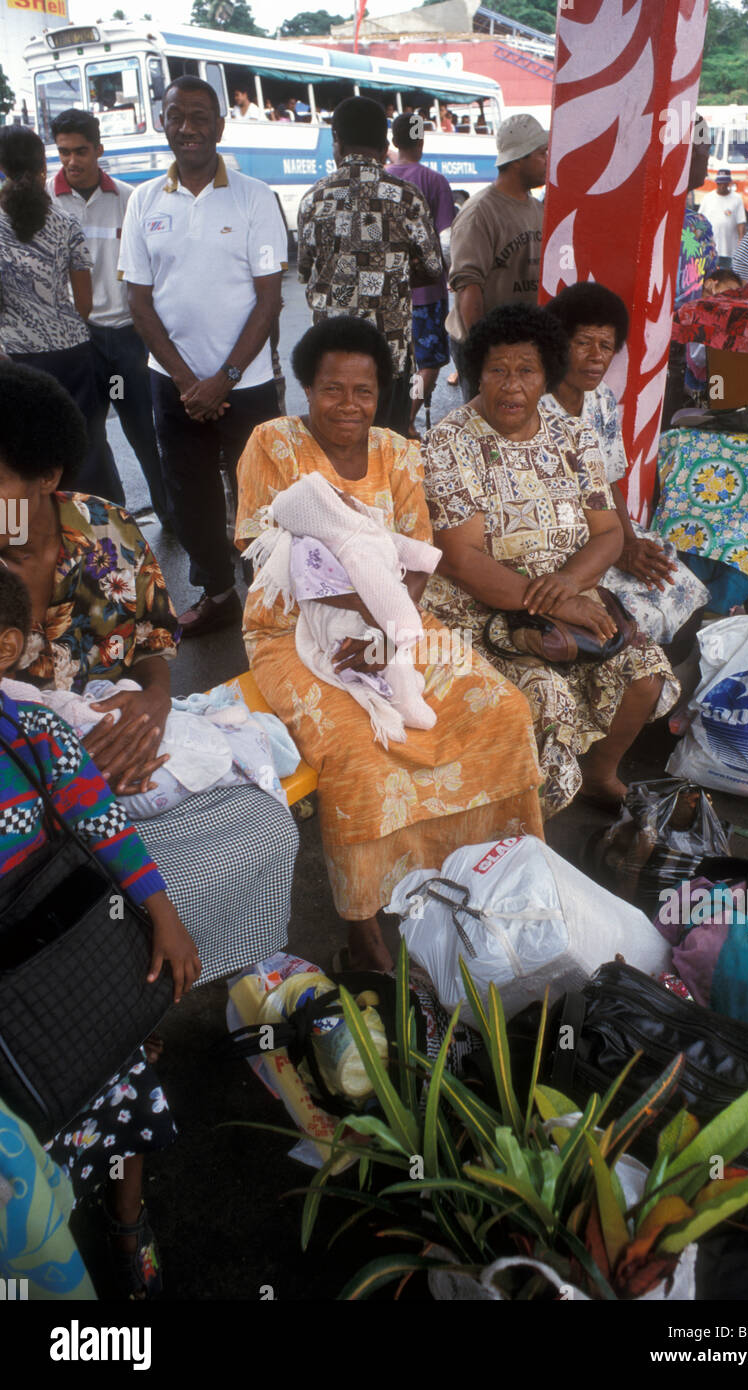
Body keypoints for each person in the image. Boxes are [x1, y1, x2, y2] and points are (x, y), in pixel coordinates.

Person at [236, 316, 544, 974]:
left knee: (503, 712)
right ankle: (363, 924)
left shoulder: (399, 452)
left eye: (363, 391)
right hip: (291, 628)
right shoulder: (273, 444)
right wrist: (370, 617)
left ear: (382, 394)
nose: (347, 405)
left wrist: (385, 626)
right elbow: (266, 556)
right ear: (305, 389)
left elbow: (421, 554)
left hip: (396, 621)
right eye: (331, 389)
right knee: (359, 754)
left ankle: (480, 877)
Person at [0, 360, 299, 989]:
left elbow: (148, 647)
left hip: (130, 741)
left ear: (46, 474)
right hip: (27, 779)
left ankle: (205, 977)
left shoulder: (106, 529)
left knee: (263, 829)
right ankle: (120, 1007)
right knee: (95, 890)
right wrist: (63, 768)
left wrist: (153, 703)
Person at [0, 566, 195, 1298]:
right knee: (31, 1135)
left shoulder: (34, 729)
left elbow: (102, 825)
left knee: (119, 1078)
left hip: (69, 954)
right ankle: (60, 1236)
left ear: (6, 648)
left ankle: (125, 1217)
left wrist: (164, 917)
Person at [421, 305, 679, 815]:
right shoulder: (451, 441)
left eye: (526, 371)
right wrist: (553, 604)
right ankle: (524, 826)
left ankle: (598, 775)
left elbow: (607, 533)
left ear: (546, 376)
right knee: (545, 698)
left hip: (568, 594)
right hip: (480, 612)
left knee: (645, 675)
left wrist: (566, 586)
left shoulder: (574, 436)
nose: (512, 386)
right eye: (498, 370)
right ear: (478, 372)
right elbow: (458, 557)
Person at [118, 76, 286, 638]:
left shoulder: (255, 197)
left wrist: (226, 378)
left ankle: (271, 595)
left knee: (261, 497)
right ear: (162, 122)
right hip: (174, 385)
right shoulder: (143, 200)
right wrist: (191, 382)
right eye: (175, 116)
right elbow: (139, 302)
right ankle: (218, 593)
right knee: (190, 497)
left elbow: (269, 299)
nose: (187, 127)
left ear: (219, 125)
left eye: (198, 116)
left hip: (248, 383)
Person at [543, 283, 708, 658]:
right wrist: (613, 549)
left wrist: (627, 542)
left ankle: (663, 707)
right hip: (559, 542)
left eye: (605, 346)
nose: (596, 357)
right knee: (635, 623)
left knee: (682, 591)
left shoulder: (600, 399)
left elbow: (608, 477)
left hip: (605, 530)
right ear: (556, 342)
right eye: (583, 342)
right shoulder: (533, 404)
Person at [47, 109, 172, 528]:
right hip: (78, 347)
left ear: (99, 150)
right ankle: (115, 524)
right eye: (63, 152)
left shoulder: (128, 199)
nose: (72, 161)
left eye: (80, 151)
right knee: (89, 437)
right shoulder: (46, 202)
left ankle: (170, 515)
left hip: (122, 344)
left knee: (140, 427)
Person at [297, 97, 442, 437]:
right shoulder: (407, 196)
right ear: (383, 145)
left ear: (337, 142)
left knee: (335, 453)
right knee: (386, 449)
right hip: (388, 356)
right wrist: (396, 276)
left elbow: (304, 270)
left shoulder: (313, 199)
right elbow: (434, 267)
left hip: (330, 360)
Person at [0, 126, 112, 497]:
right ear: (43, 165)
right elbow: (84, 303)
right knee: (87, 442)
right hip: (72, 355)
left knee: (18, 456)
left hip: (15, 358)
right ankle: (101, 531)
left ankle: (17, 540)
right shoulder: (65, 222)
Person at [446, 113, 548, 398]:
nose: (548, 161)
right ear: (518, 159)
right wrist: (486, 355)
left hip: (521, 345)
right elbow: (468, 288)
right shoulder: (479, 212)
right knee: (486, 430)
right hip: (485, 343)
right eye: (542, 154)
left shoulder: (537, 210)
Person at [662, 114, 740, 428]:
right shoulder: (661, 221)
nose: (707, 161)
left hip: (689, 351)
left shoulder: (697, 223)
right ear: (681, 153)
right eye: (702, 153)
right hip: (660, 349)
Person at [386, 112, 456, 432]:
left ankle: (398, 417)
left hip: (388, 295)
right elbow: (445, 241)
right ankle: (408, 416)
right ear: (421, 140)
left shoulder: (383, 179)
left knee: (396, 363)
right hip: (427, 293)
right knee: (428, 362)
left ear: (394, 140)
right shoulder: (434, 181)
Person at [699, 168, 746, 268]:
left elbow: (741, 222)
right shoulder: (708, 198)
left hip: (730, 249)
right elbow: (700, 220)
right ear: (716, 183)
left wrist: (741, 240)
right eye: (720, 183)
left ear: (729, 183)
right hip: (711, 248)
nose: (723, 186)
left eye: (725, 183)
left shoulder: (737, 199)